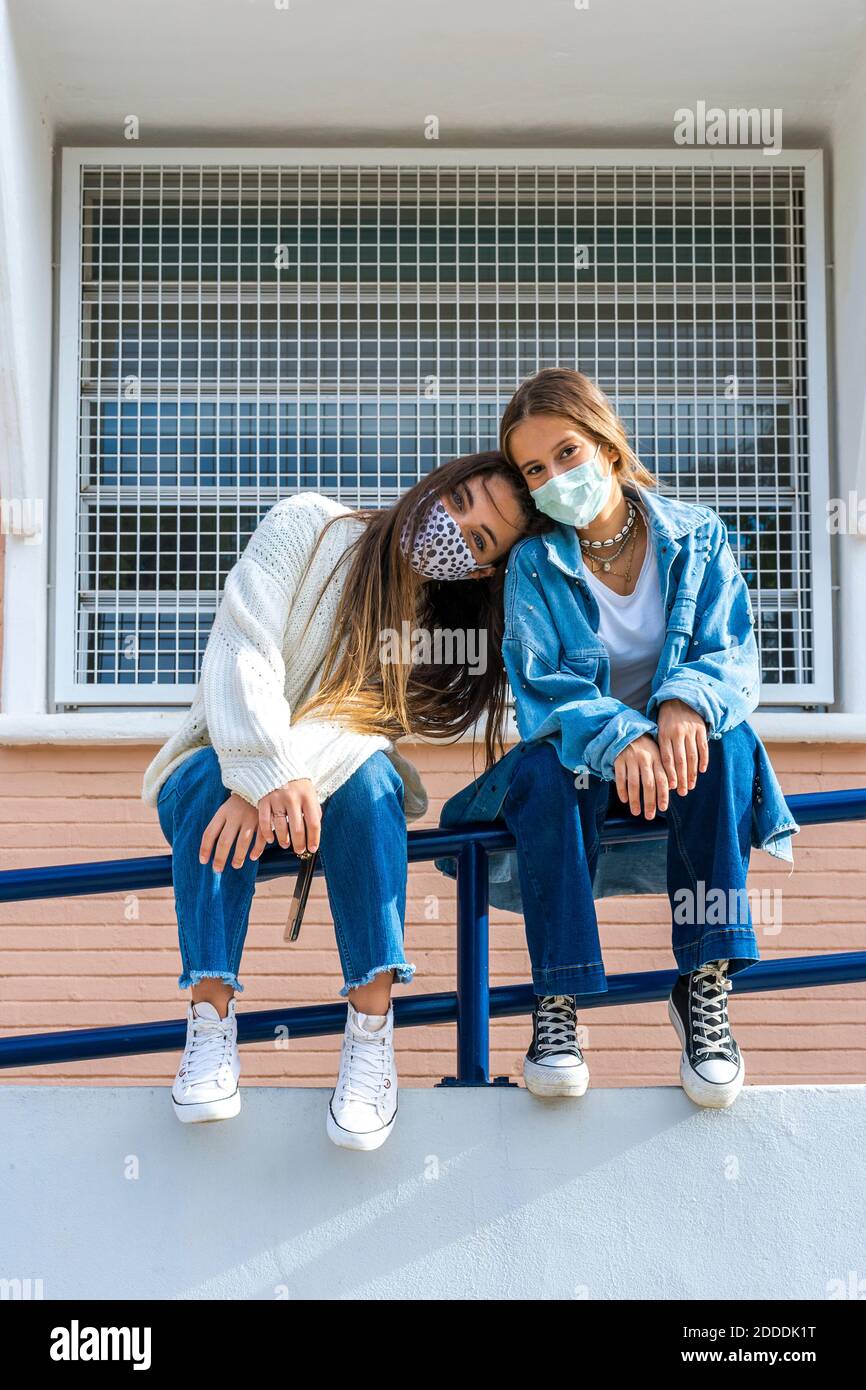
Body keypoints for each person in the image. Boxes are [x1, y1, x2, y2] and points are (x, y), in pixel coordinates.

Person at [141, 453, 543, 1149]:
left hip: (321, 799)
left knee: (375, 779)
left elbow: (360, 729)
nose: (457, 524)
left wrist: (270, 782)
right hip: (218, 770)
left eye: (479, 538)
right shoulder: (309, 525)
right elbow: (244, 646)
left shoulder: (436, 638)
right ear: (441, 481)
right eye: (462, 499)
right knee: (210, 777)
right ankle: (209, 1024)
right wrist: (254, 774)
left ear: (481, 570)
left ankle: (370, 1032)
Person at [436, 368, 800, 1109]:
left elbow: (732, 655)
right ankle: (559, 1003)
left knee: (725, 742)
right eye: (535, 469)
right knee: (541, 772)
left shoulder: (698, 536)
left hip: (685, 766)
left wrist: (681, 706)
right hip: (584, 774)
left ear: (606, 443)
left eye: (566, 454)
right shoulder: (536, 566)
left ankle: (704, 985)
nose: (555, 477)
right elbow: (544, 689)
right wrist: (620, 735)